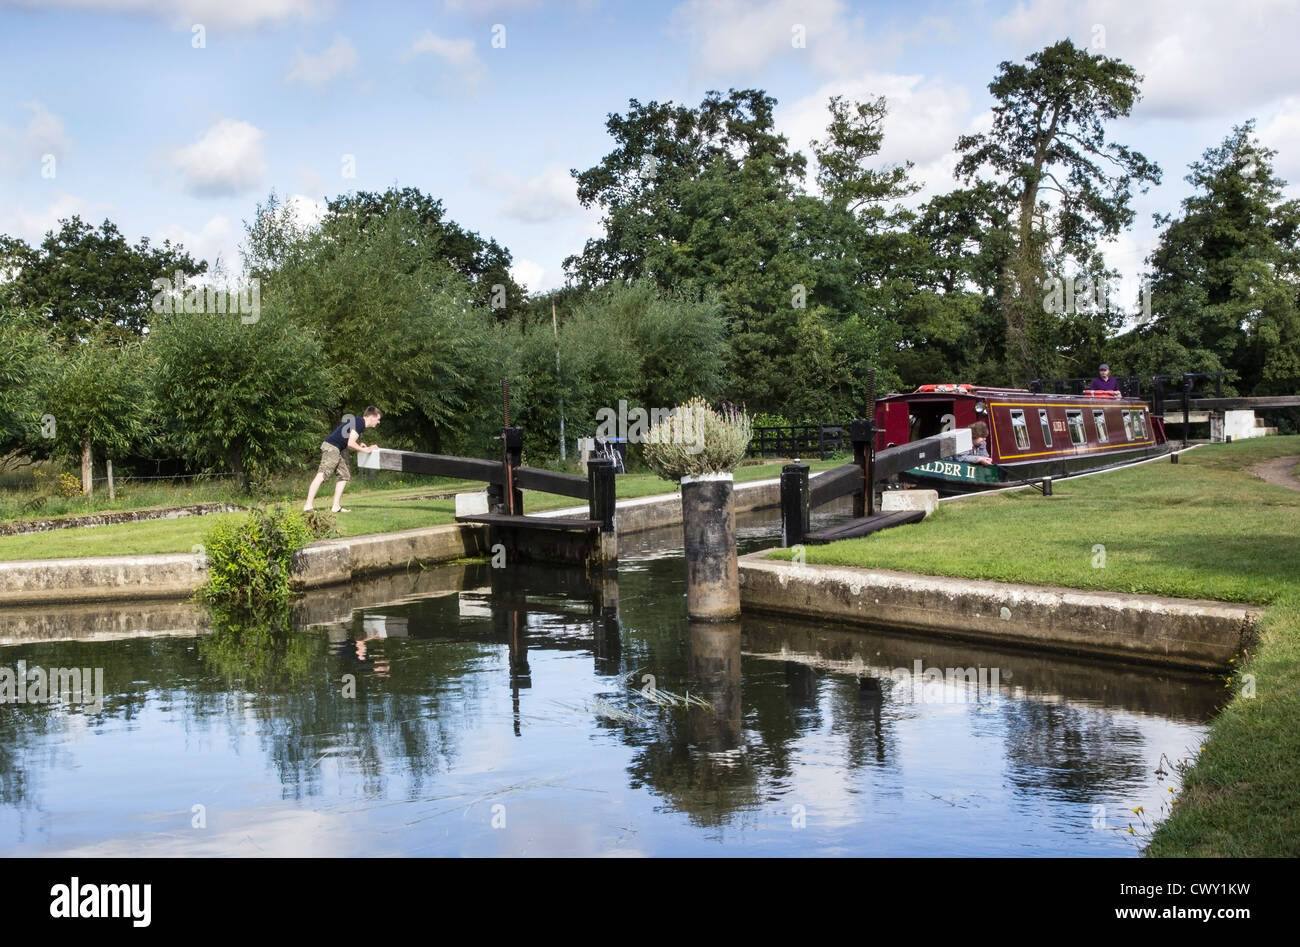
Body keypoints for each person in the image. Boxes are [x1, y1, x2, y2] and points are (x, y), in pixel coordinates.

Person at [304, 406, 382, 513]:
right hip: (332, 448)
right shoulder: (360, 423)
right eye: (378, 419)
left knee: (344, 475)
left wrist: (360, 446)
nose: (378, 422)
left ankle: (336, 507)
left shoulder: (358, 422)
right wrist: (367, 450)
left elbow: (348, 442)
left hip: (334, 448)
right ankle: (308, 506)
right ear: (371, 416)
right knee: (322, 475)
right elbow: (350, 443)